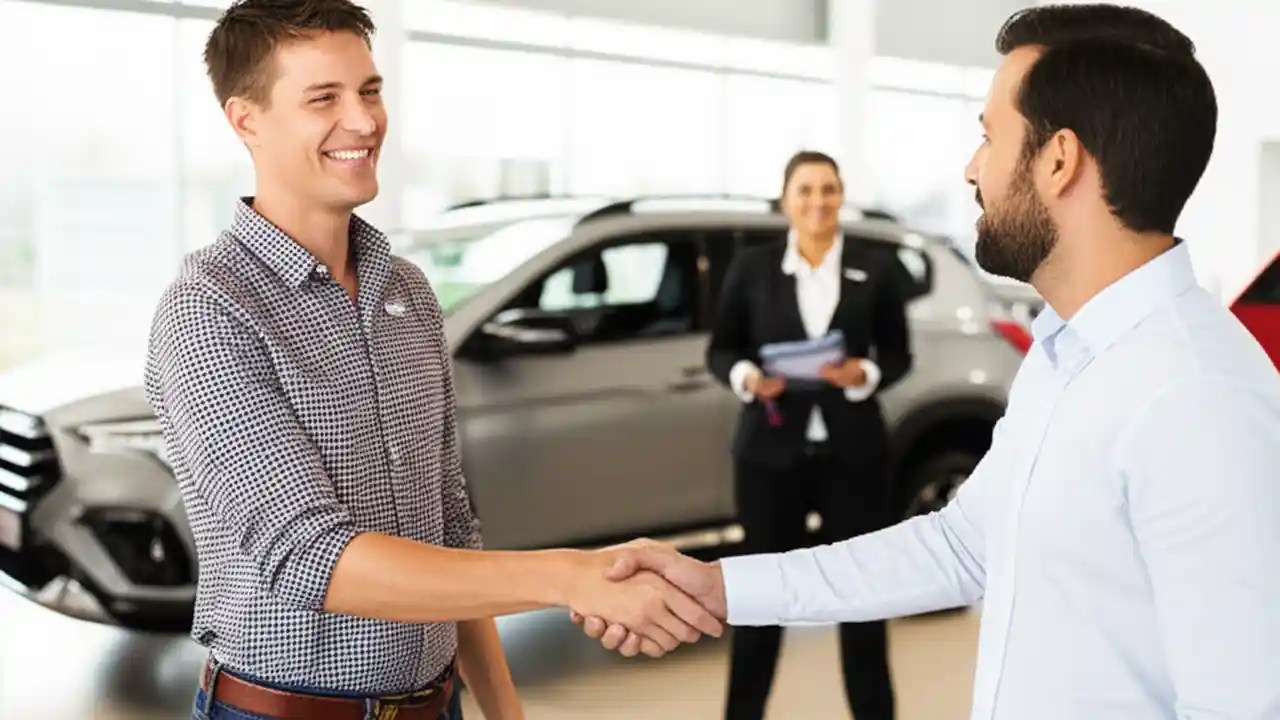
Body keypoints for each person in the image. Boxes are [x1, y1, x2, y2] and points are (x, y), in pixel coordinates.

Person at [575, 4, 1280, 718]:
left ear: (1059, 159)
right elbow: (959, 546)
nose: (973, 168)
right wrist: (719, 586)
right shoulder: (1065, 356)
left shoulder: (1200, 398)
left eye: (989, 137)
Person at [145, 3, 721, 720]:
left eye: (370, 90)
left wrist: (505, 712)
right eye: (323, 98)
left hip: (435, 704)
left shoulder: (408, 292)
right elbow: (310, 556)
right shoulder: (209, 309)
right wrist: (570, 576)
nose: (362, 121)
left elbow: (450, 531)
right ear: (246, 120)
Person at [705, 150, 910, 719]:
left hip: (855, 454)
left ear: (842, 195)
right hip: (770, 456)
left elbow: (896, 353)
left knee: (863, 598)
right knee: (760, 598)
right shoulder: (752, 268)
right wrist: (750, 379)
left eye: (828, 189)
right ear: (785, 200)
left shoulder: (876, 266)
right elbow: (722, 349)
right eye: (805, 190)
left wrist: (862, 375)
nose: (818, 202)